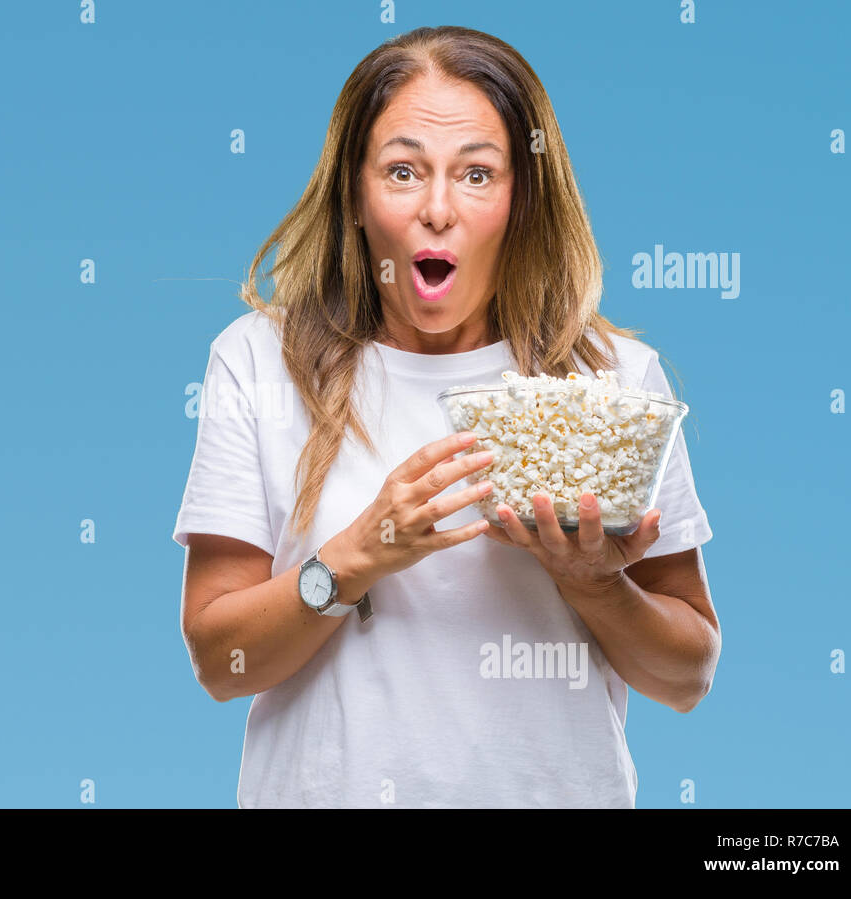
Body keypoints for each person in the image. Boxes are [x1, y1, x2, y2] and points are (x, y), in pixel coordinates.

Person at [171, 25, 719, 809]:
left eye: (476, 175)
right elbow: (218, 659)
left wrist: (594, 585)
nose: (436, 209)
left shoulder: (613, 383)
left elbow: (689, 675)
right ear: (355, 196)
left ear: (522, 199)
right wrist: (356, 557)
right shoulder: (260, 363)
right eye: (402, 171)